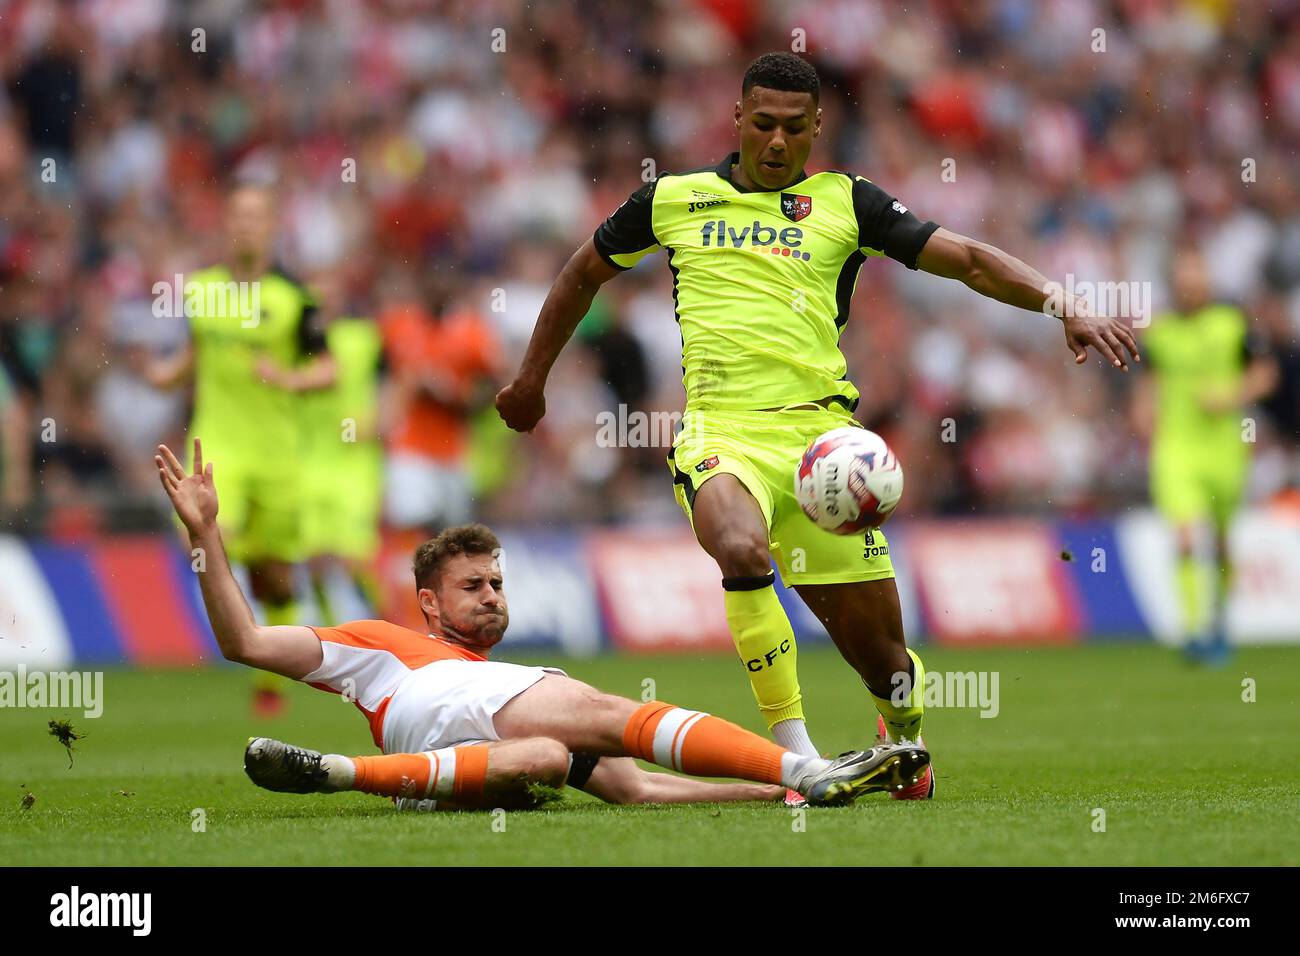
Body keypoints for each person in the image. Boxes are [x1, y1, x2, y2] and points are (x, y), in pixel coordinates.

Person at [496, 52, 1140, 803]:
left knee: (887, 664)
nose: (776, 141)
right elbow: (583, 273)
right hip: (719, 433)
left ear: (816, 128)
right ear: (736, 119)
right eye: (762, 124)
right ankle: (798, 763)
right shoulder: (673, 199)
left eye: (794, 129)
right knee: (738, 544)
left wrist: (1064, 304)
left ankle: (905, 742)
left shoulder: (846, 202)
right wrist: (531, 378)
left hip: (824, 448)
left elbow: (964, 259)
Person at [154, 439, 929, 809]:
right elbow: (244, 642)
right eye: (472, 586)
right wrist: (205, 533)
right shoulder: (380, 644)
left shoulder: (497, 680)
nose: (492, 595)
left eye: (497, 581)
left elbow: (642, 796)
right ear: (427, 602)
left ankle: (336, 773)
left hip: (436, 773)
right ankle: (803, 764)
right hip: (439, 706)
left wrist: (770, 801)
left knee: (557, 757)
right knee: (600, 713)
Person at [145, 183, 335, 716]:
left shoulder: (296, 298)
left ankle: (271, 682)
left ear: (272, 225)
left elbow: (329, 367)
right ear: (227, 224)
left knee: (274, 574)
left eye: (256, 216)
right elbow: (193, 355)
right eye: (238, 215)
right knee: (200, 535)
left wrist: (289, 379)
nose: (246, 225)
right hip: (218, 443)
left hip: (277, 451)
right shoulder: (201, 291)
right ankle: (236, 565)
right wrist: (162, 376)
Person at [1133, 245, 1277, 664]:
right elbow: (1148, 383)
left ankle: (1219, 622)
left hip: (1225, 450)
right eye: (1182, 275)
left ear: (1207, 278)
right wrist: (1143, 416)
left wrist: (1232, 395)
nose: (1190, 283)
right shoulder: (1159, 330)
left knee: (1221, 541)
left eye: (1195, 274)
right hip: (1175, 448)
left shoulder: (1232, 322)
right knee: (1184, 533)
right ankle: (1193, 630)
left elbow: (1266, 374)